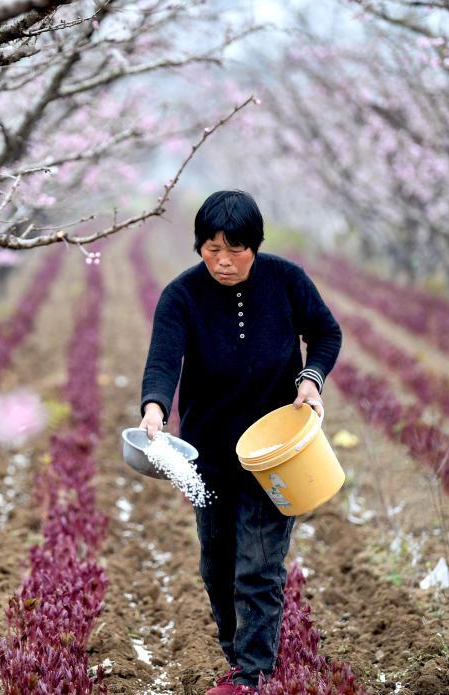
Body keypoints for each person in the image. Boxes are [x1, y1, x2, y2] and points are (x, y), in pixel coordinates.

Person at [139, 190, 342, 693]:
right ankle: (241, 658)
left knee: (258, 566)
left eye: (235, 250)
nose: (223, 262)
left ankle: (253, 676)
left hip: (275, 452)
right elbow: (164, 359)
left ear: (256, 245)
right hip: (206, 456)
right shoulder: (182, 295)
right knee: (217, 565)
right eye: (211, 250)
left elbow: (326, 333)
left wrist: (311, 378)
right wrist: (154, 408)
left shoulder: (287, 281)